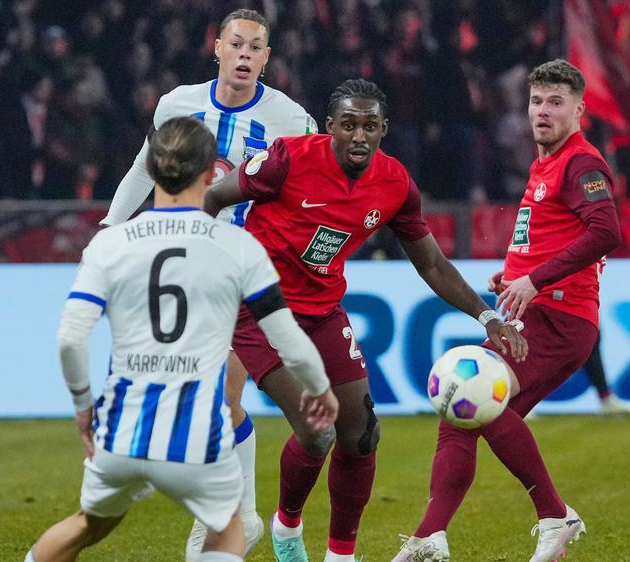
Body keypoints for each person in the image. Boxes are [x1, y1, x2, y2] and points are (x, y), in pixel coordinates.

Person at [204, 78, 527, 562]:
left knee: (362, 435)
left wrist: (486, 315)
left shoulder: (394, 183)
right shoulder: (287, 159)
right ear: (330, 126)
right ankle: (287, 526)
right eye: (349, 124)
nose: (359, 135)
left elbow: (432, 263)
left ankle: (341, 555)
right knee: (318, 431)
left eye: (370, 126)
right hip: (260, 312)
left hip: (322, 310)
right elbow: (211, 198)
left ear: (383, 130)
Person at [24, 116, 338, 562]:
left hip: (121, 432)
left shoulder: (108, 245)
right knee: (231, 529)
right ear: (213, 173)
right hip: (197, 437)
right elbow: (286, 338)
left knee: (84, 526)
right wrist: (320, 389)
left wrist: (81, 407)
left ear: (151, 171)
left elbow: (70, 340)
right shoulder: (239, 247)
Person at [100, 10, 317, 558]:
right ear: (216, 47)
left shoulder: (291, 120)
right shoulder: (178, 104)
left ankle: (229, 511)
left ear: (267, 58)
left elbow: (318, 188)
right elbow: (145, 169)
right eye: (236, 44)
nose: (245, 55)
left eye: (256, 48)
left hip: (246, 270)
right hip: (178, 260)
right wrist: (110, 226)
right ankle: (222, 500)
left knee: (223, 394)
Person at [393, 59, 622, 562]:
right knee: (461, 412)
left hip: (561, 318)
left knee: (473, 393)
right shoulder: (545, 162)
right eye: (537, 100)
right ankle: (431, 536)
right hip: (541, 313)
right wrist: (515, 274)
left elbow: (606, 231)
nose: (543, 111)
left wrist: (535, 279)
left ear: (579, 109)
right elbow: (555, 235)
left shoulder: (581, 163)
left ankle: (555, 515)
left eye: (556, 102)